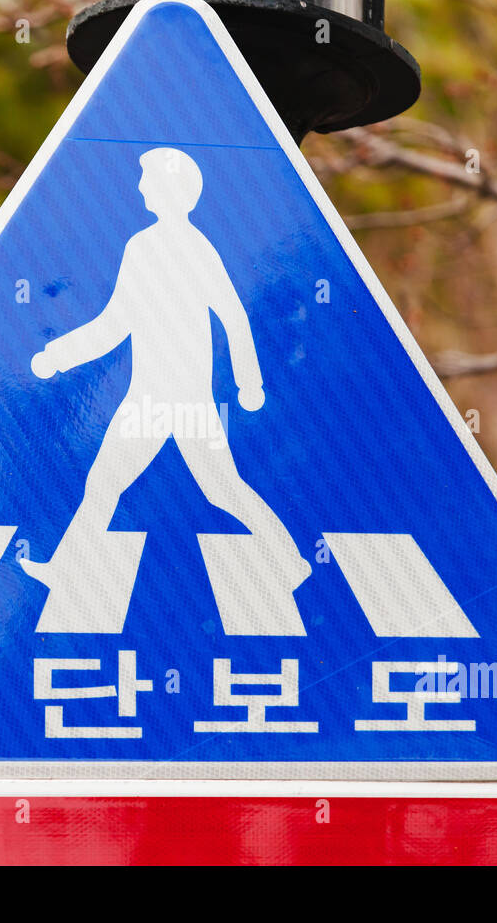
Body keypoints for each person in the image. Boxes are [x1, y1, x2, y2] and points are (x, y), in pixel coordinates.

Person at [22, 147, 311, 592]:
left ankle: (291, 562)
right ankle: (65, 570)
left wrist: (249, 382)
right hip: (154, 395)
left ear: (168, 191)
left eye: (148, 180)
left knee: (214, 488)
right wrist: (58, 356)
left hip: (173, 398)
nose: (140, 187)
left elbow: (231, 315)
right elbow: (117, 322)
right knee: (111, 483)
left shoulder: (180, 248)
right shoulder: (148, 246)